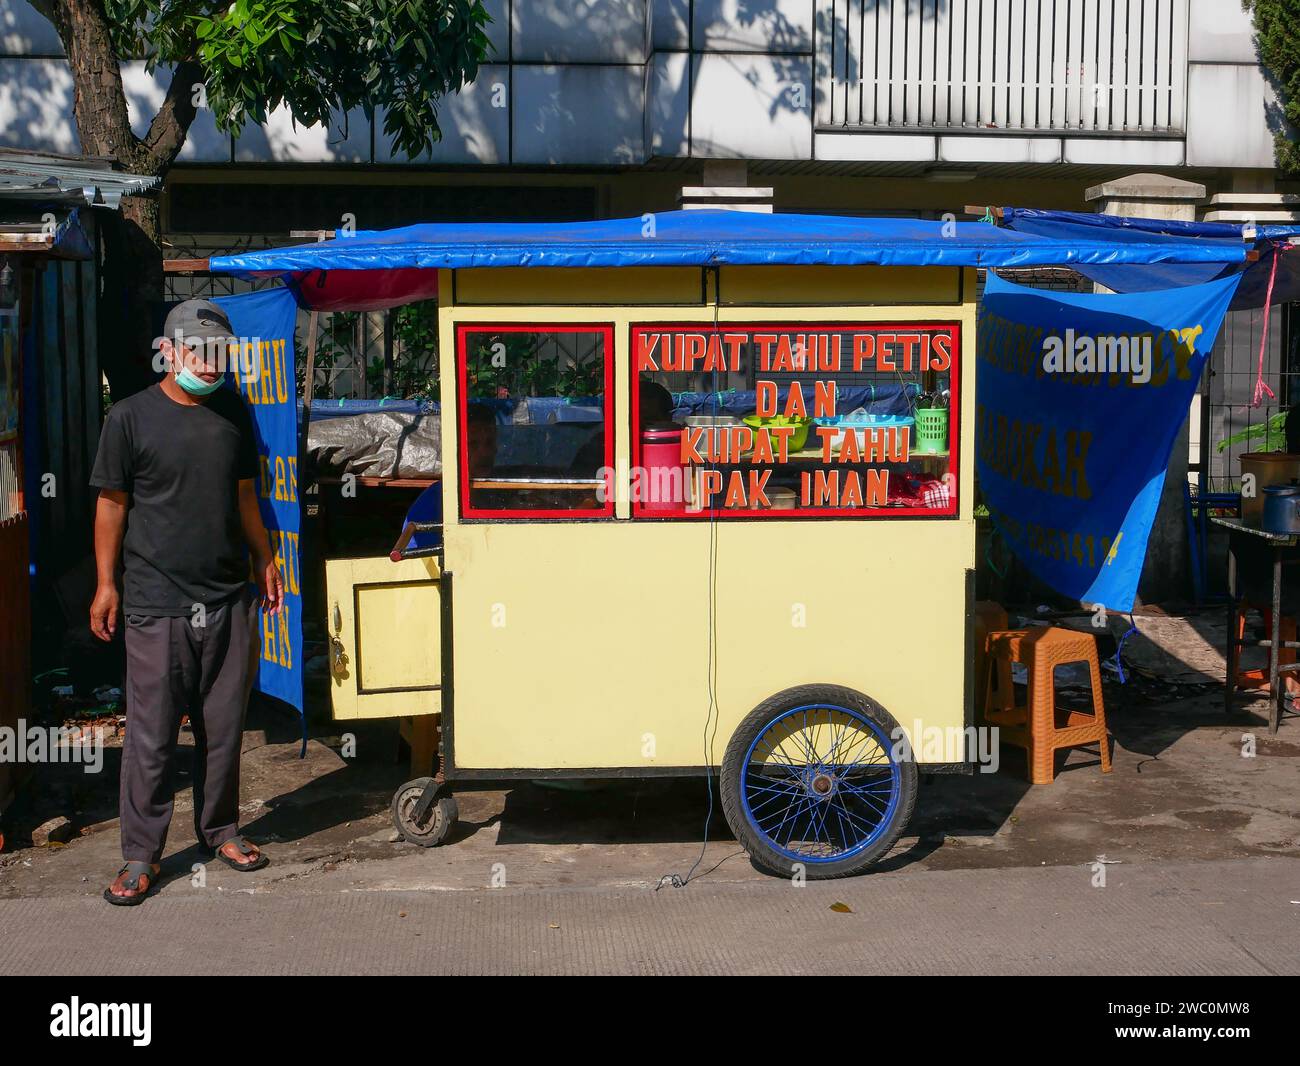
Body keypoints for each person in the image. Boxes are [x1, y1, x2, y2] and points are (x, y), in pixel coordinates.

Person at [89, 299, 285, 906]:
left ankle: (221, 830)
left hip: (228, 597)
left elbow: (247, 494)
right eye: (201, 351)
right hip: (155, 602)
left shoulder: (230, 410)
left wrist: (264, 558)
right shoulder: (129, 418)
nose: (212, 362)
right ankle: (140, 856)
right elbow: (112, 506)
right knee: (150, 736)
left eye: (220, 352)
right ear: (168, 352)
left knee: (223, 729)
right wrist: (106, 582)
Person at [399, 404, 499, 551]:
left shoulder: (503, 489)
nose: (484, 453)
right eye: (473, 444)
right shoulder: (433, 502)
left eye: (489, 442)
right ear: (456, 447)